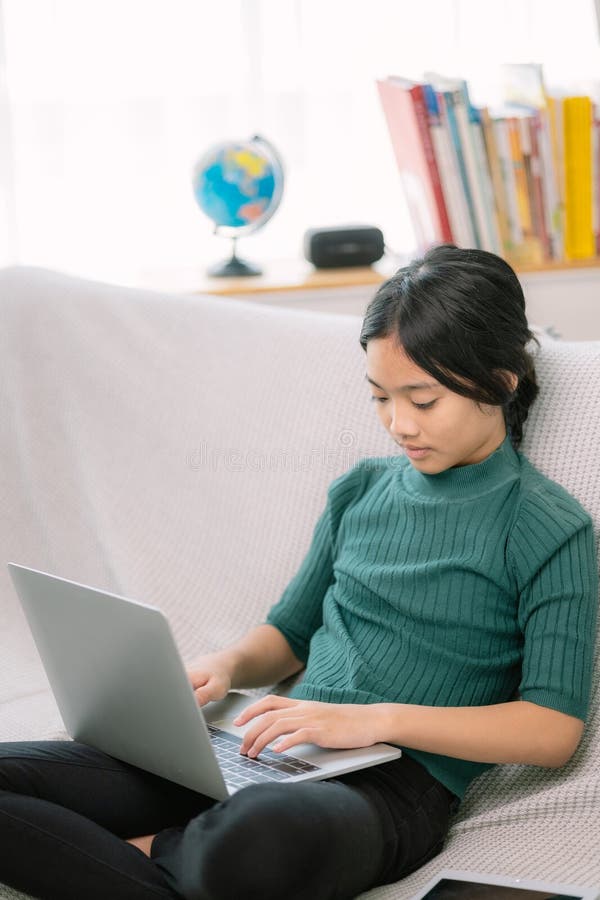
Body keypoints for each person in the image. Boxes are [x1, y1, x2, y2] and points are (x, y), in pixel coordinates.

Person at [0, 243, 597, 900]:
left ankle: (147, 852)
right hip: (269, 747)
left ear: (502, 382)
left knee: (251, 839)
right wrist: (227, 667)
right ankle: (169, 865)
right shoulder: (362, 490)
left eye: (423, 401)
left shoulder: (547, 526)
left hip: (389, 788)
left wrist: (375, 722)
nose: (399, 424)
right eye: (380, 397)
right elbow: (288, 634)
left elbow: (552, 729)